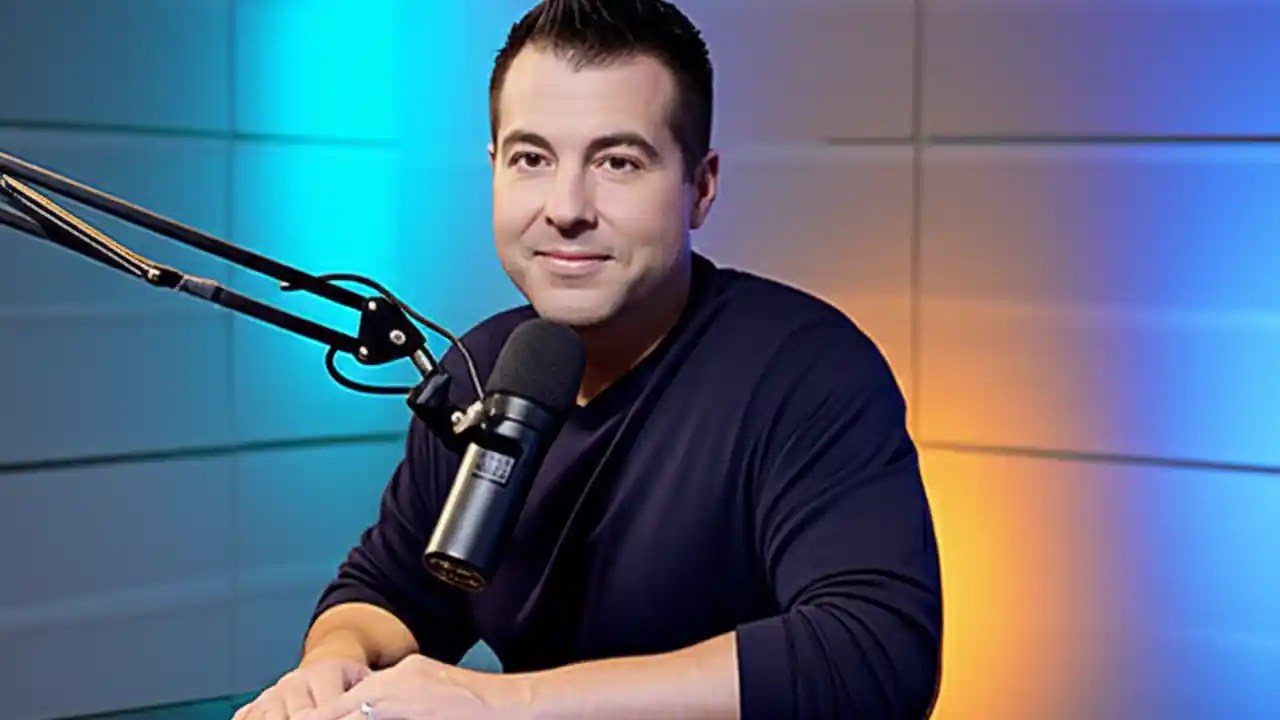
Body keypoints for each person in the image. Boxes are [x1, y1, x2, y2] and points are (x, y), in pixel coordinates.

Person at [234, 1, 942, 718]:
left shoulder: (806, 369)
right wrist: (332, 666)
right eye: (532, 159)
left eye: (618, 162)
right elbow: (391, 591)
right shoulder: (482, 365)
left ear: (701, 185)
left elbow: (873, 657)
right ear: (494, 170)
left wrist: (505, 706)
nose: (566, 207)